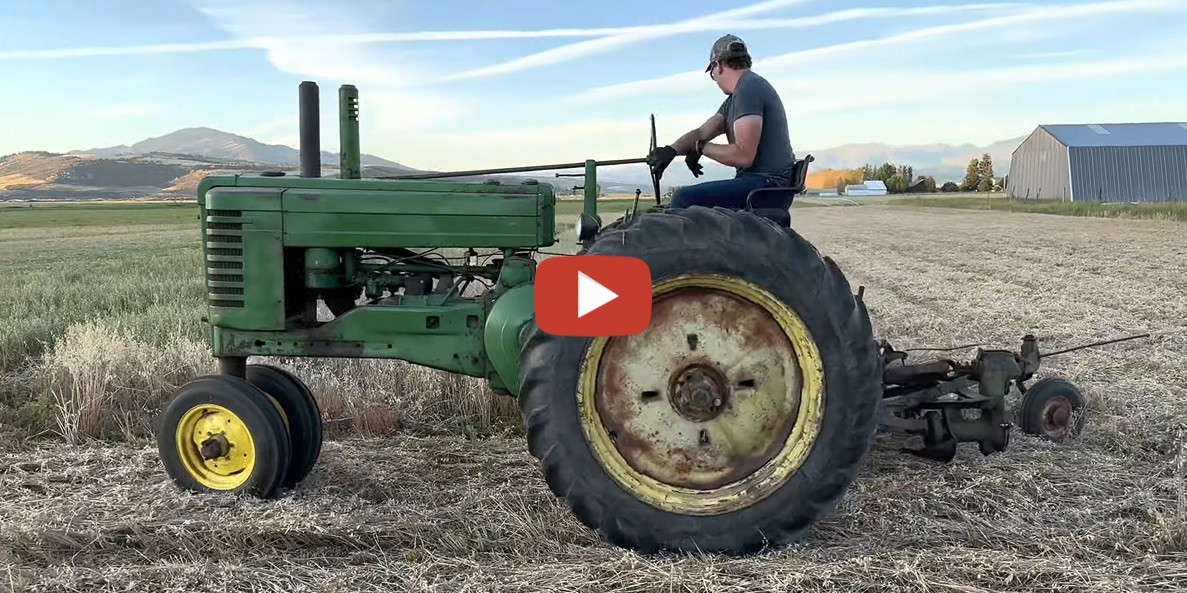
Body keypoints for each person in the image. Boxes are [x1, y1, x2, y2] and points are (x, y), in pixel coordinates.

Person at [646, 34, 796, 210]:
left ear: (718, 66)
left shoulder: (749, 89)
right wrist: (671, 150)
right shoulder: (737, 97)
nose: (715, 80)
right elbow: (701, 133)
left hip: (767, 187)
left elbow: (743, 156)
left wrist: (701, 148)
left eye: (712, 74)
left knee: (683, 198)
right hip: (760, 183)